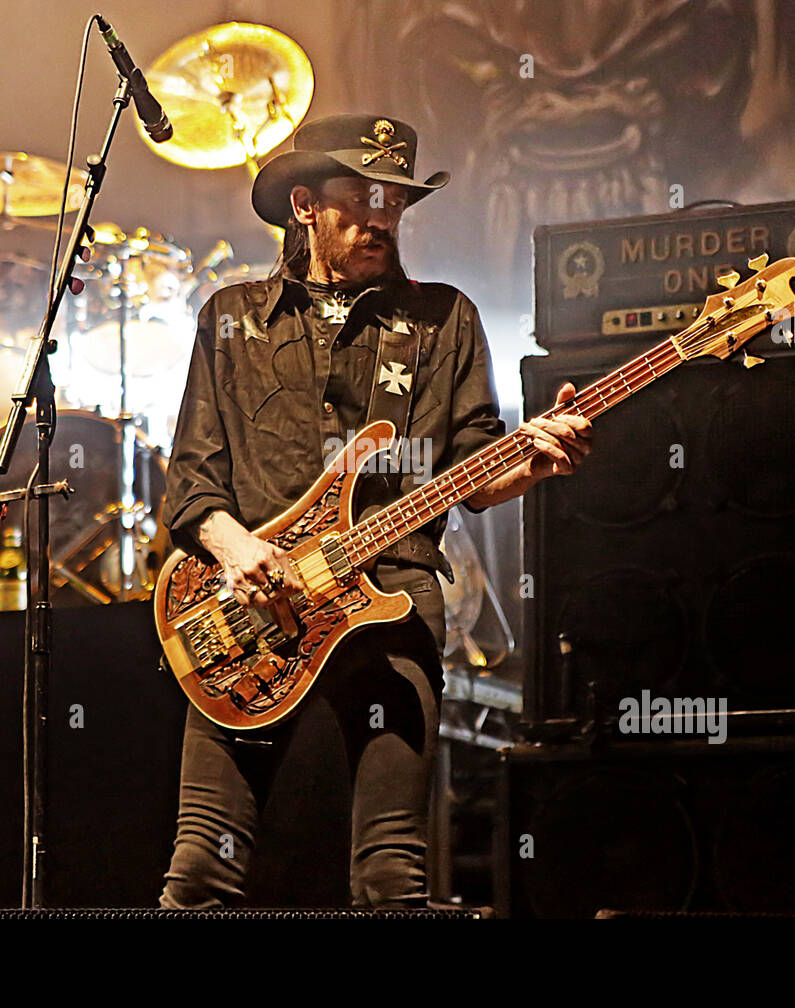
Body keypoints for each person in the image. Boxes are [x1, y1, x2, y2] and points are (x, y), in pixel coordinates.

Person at [158, 113, 593, 909]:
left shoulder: (443, 319)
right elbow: (192, 476)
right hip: (254, 607)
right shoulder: (231, 318)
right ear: (304, 206)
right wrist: (235, 548)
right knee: (199, 875)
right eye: (359, 197)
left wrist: (528, 466)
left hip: (392, 602)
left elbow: (472, 471)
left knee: (394, 878)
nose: (380, 216)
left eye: (393, 200)